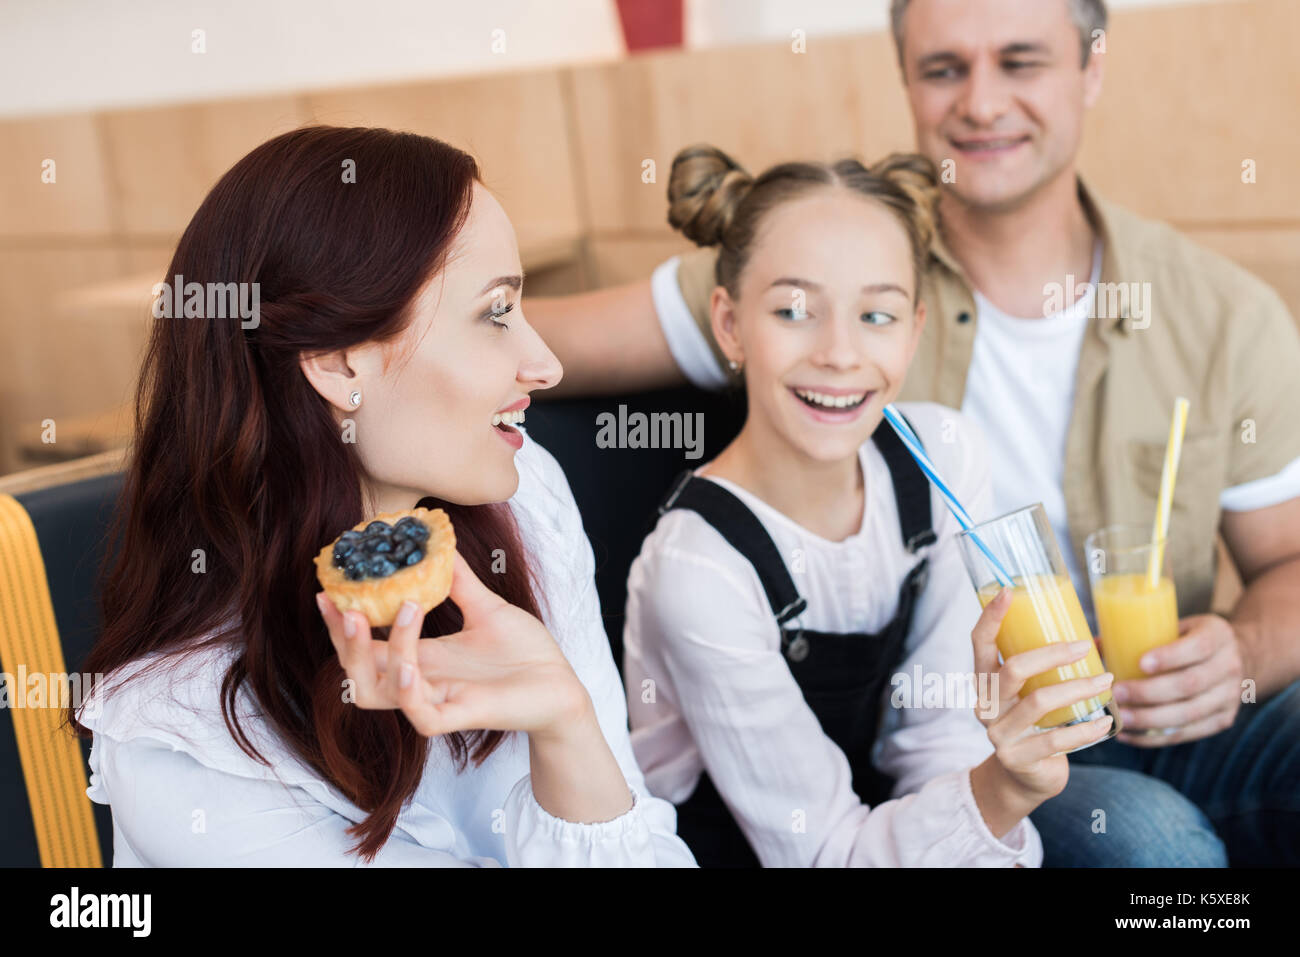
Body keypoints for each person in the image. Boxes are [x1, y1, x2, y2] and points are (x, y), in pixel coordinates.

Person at [530, 0, 1300, 866]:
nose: (979, 101)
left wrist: (1241, 649)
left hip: (1114, 721)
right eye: (944, 68)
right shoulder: (805, 246)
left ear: (1092, 66)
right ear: (733, 320)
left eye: (1020, 61)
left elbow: (1288, 566)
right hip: (939, 761)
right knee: (1150, 842)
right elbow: (522, 337)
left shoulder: (1213, 315)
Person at [69, 125, 696, 867]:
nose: (546, 363)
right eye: (496, 313)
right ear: (337, 364)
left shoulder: (528, 500)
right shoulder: (186, 739)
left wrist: (566, 721)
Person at [625, 144, 1119, 867]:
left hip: (898, 813)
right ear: (729, 325)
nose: (839, 353)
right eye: (795, 309)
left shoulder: (944, 457)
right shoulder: (698, 569)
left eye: (876, 316)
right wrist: (1001, 793)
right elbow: (827, 852)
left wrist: (990, 783)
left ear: (915, 329)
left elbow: (940, 733)